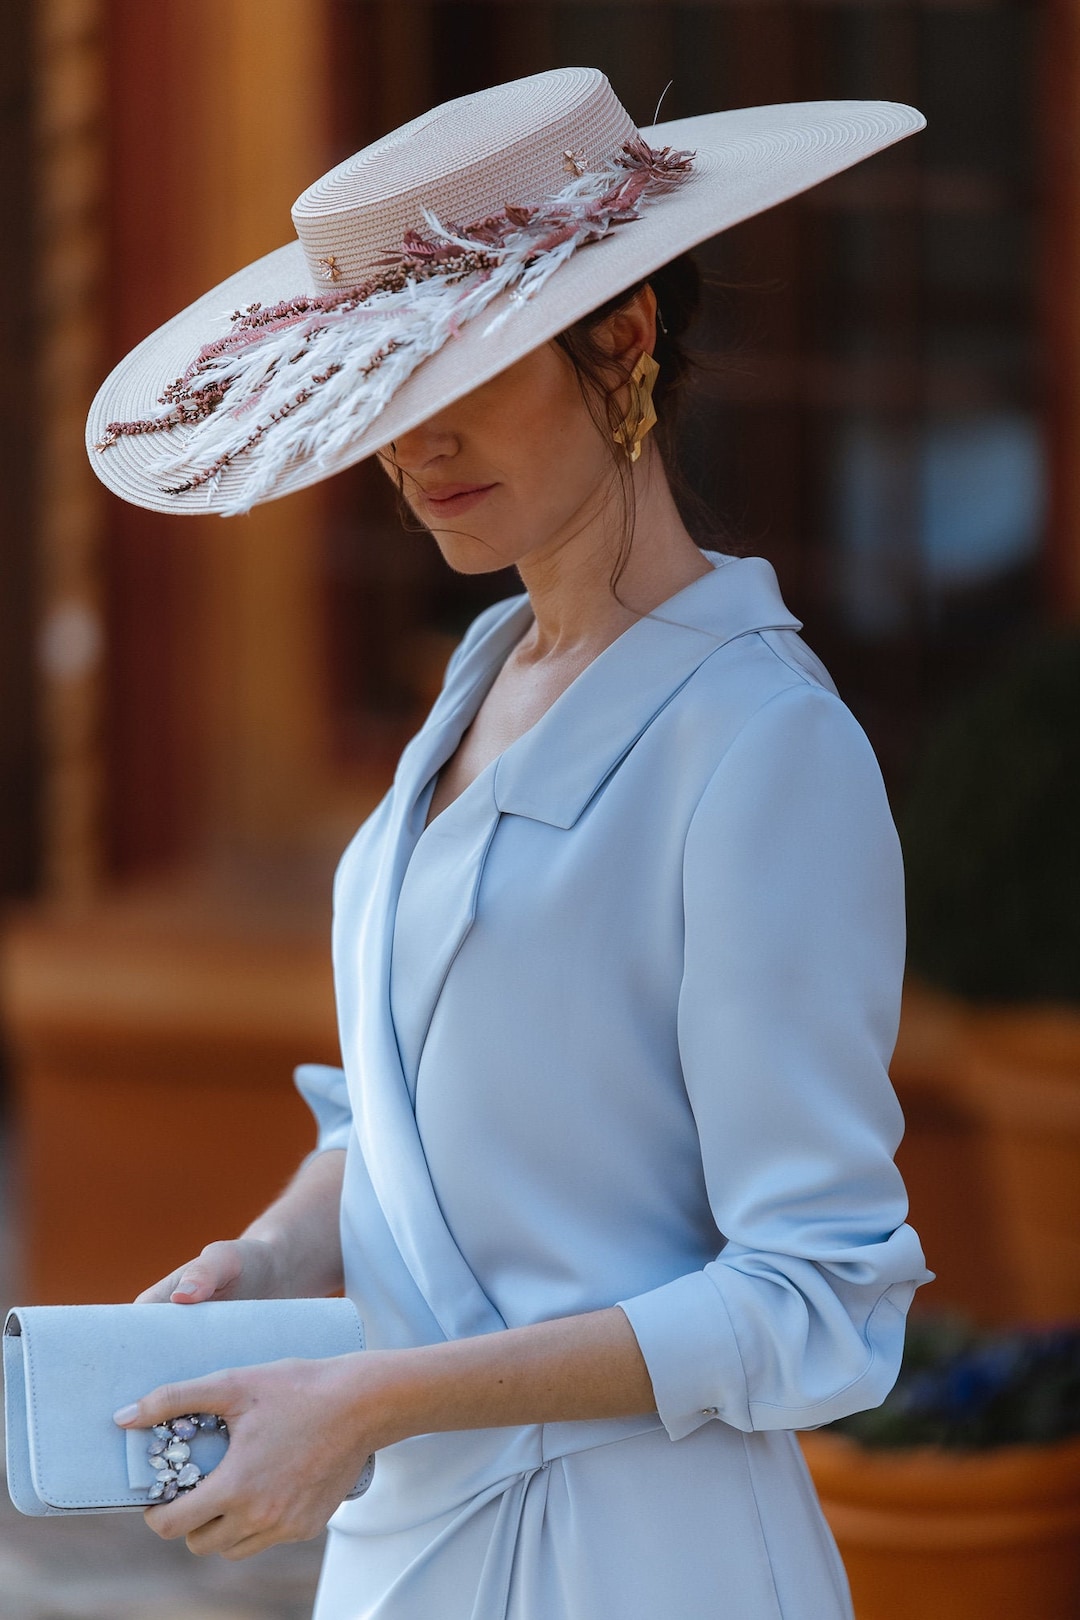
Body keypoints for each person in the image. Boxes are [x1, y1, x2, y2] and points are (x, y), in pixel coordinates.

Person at [90, 68, 932, 1620]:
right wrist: (263, 1263)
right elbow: (411, 1127)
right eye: (380, 387)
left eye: (461, 372)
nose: (412, 445)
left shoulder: (763, 747)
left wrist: (371, 1401)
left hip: (641, 1558)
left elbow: (815, 1295)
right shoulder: (481, 678)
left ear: (622, 339)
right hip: (403, 1544)